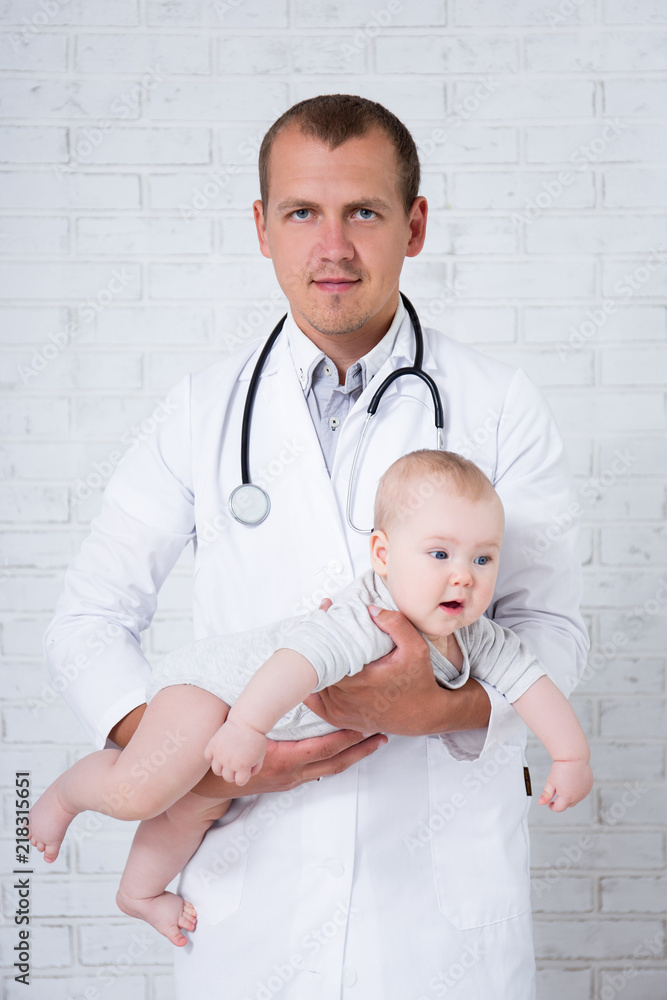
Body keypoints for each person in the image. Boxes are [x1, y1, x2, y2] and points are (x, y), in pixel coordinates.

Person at [43, 94, 589, 999]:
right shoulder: (198, 412)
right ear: (261, 227)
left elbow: (553, 634)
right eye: (302, 212)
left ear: (414, 226)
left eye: (363, 212)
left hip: (439, 928)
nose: (331, 247)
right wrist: (182, 752)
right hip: (248, 899)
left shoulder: (496, 404)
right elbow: (89, 619)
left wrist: (434, 710)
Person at [29, 449, 593, 945]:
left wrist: (571, 756)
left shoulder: (478, 637)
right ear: (383, 556)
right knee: (142, 791)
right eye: (440, 555)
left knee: (197, 806)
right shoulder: (366, 617)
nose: (464, 578)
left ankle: (141, 894)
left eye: (482, 558)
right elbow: (292, 665)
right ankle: (67, 793)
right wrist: (246, 727)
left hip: (253, 738)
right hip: (216, 689)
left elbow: (532, 680)